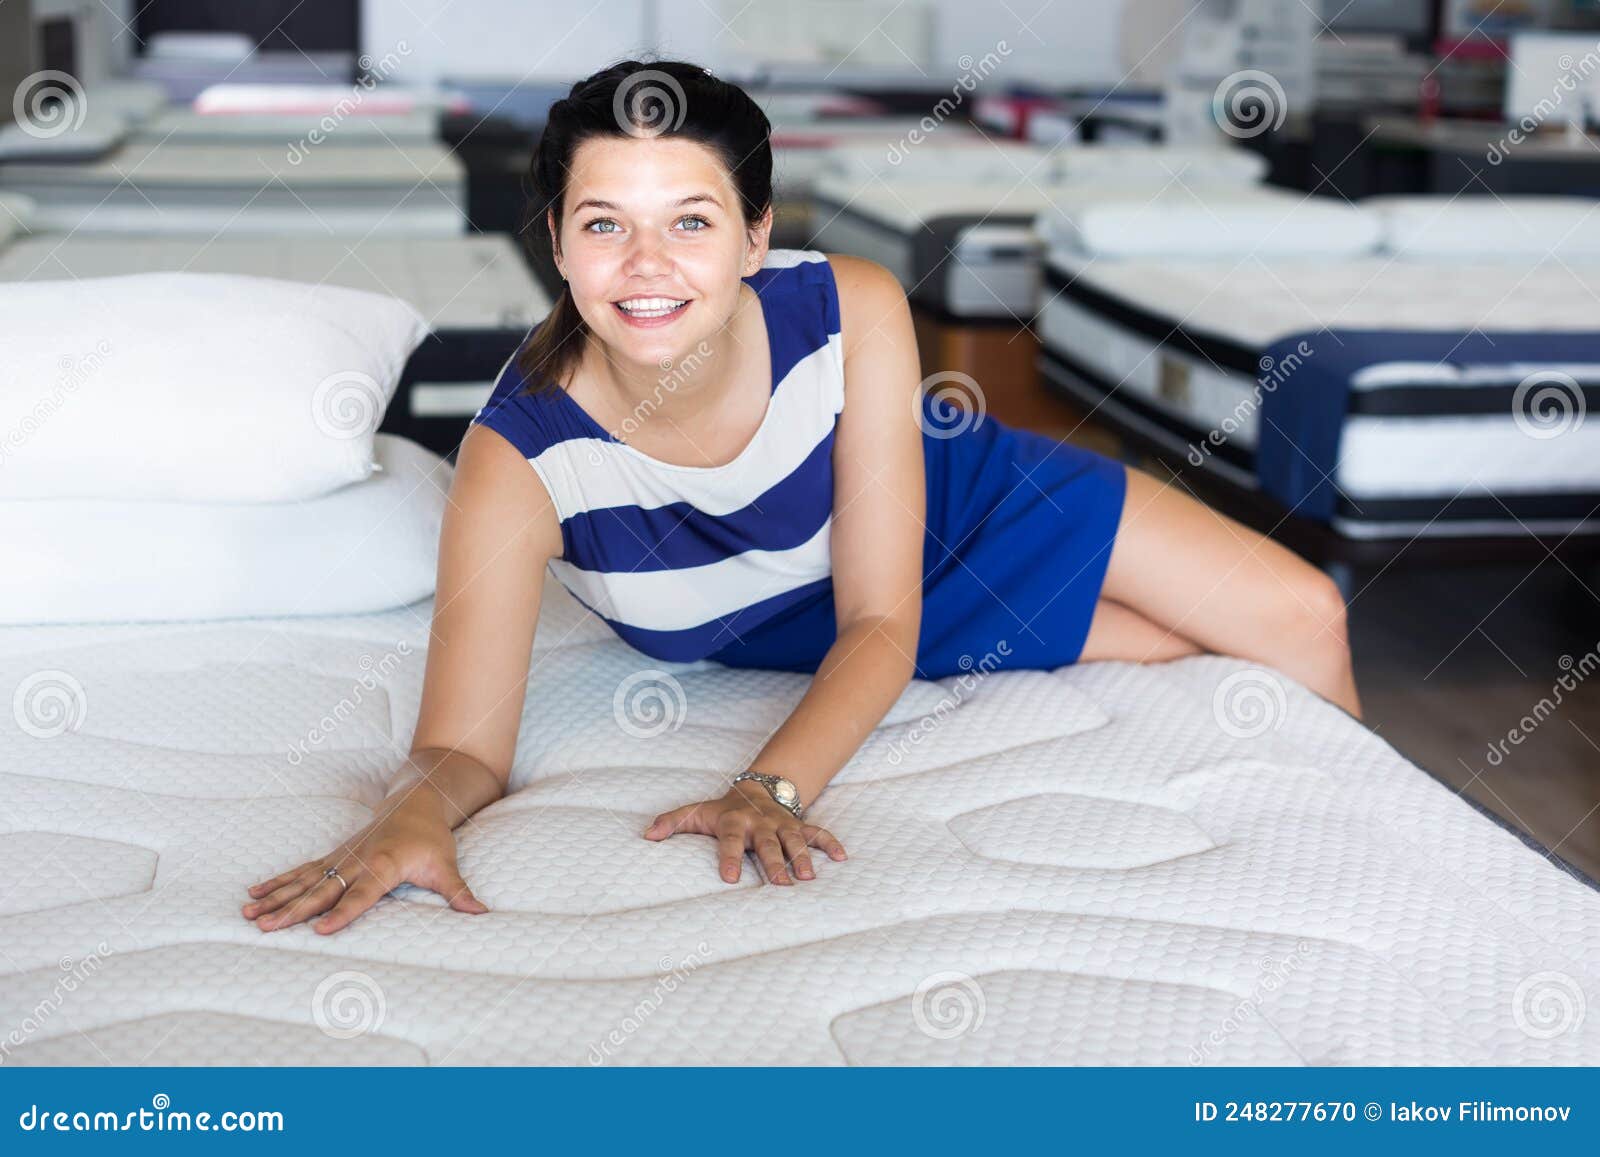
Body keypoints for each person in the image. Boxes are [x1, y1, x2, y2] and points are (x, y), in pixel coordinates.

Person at [243, 59, 1359, 936]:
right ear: (556, 243)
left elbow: (884, 610)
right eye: (603, 225)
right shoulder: (518, 456)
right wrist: (408, 815)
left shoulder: (848, 306)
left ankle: (1364, 860)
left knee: (1300, 614)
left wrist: (771, 787)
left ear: (754, 235)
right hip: (792, 621)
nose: (647, 265)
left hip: (963, 504)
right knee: (1191, 651)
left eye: (691, 220)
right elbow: (462, 746)